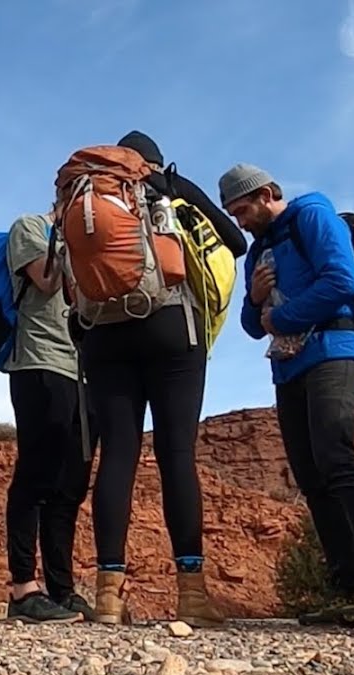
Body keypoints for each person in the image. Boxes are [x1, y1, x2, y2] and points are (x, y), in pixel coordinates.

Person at [217, 162, 354, 626]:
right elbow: (249, 326)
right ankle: (346, 588)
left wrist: (279, 318)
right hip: (288, 368)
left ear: (267, 193)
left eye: (243, 210)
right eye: (234, 214)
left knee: (336, 459)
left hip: (334, 351)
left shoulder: (313, 216)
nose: (240, 221)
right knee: (311, 476)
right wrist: (256, 297)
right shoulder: (258, 252)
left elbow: (343, 280)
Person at [75, 131, 248, 627]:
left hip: (103, 334)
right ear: (151, 162)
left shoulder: (86, 194)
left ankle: (108, 595)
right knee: (176, 454)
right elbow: (234, 243)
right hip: (172, 326)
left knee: (118, 456)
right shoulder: (169, 184)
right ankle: (191, 595)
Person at [1, 207, 98, 623]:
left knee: (71, 485)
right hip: (39, 363)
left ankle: (62, 589)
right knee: (36, 474)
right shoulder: (30, 227)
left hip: (84, 373)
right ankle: (23, 588)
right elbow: (46, 278)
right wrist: (71, 233)